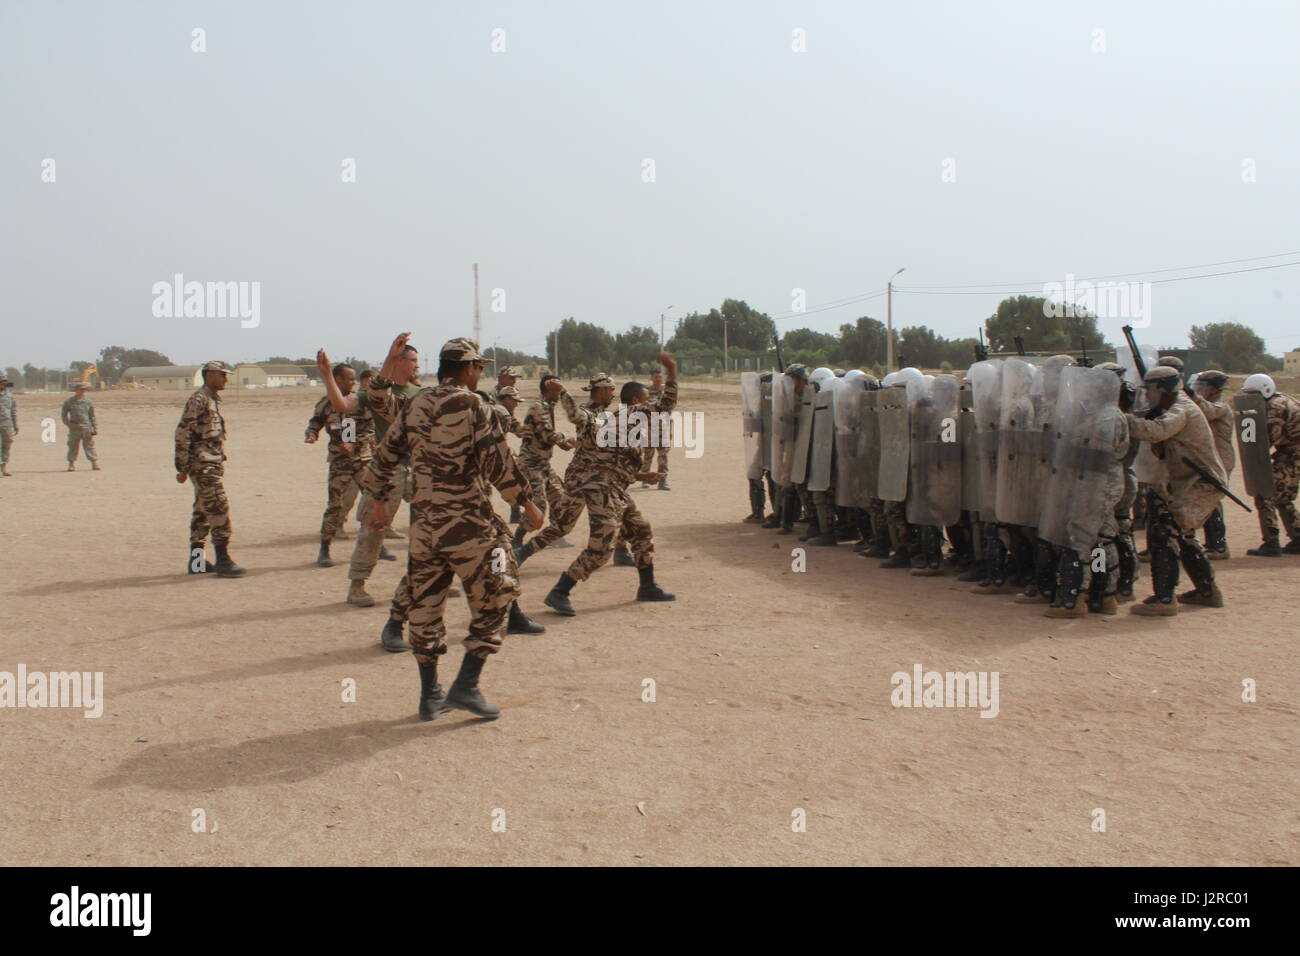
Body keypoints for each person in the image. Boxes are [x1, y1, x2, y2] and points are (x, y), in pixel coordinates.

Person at [356, 337, 543, 720]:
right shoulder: (474, 404)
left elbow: (386, 452)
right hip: (469, 526)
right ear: (469, 368)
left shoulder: (416, 403)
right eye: (479, 367)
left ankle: (430, 695)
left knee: (425, 608)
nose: (480, 374)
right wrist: (525, 502)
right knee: (499, 591)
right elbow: (497, 460)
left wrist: (377, 499)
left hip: (425, 527)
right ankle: (466, 684)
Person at [522, 356, 678, 615]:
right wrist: (672, 371)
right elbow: (667, 403)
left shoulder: (616, 419)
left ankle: (648, 585)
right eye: (647, 397)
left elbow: (611, 460)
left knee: (640, 531)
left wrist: (640, 476)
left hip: (613, 488)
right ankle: (560, 591)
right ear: (638, 401)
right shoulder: (632, 413)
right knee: (601, 545)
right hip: (603, 491)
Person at [318, 335, 421, 606]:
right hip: (390, 469)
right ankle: (358, 585)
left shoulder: (419, 393)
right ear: (399, 362)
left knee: (430, 525)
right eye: (413, 361)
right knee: (374, 528)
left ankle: (427, 581)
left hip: (420, 469)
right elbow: (341, 405)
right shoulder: (373, 395)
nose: (417, 366)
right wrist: (328, 374)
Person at [1123, 366, 1225, 615]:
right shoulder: (1171, 407)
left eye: (1150, 390)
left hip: (1202, 483)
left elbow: (1157, 432)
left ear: (1163, 390)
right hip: (1186, 482)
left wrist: (1122, 418)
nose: (1146, 396)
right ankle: (1207, 591)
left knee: (1164, 531)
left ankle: (1165, 599)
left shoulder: (1182, 408)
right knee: (1183, 535)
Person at [174, 360, 245, 577]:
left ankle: (197, 562)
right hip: (202, 465)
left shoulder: (211, 400)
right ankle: (223, 560)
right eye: (222, 375)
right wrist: (182, 467)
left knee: (202, 511)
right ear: (209, 375)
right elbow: (183, 431)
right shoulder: (199, 400)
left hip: (210, 463)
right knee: (218, 507)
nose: (226, 379)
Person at [306, 363, 375, 567]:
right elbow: (315, 422)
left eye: (354, 378)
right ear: (337, 380)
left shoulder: (359, 402)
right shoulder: (326, 403)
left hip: (362, 461)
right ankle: (324, 550)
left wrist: (355, 441)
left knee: (372, 503)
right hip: (339, 463)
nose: (353, 382)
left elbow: (370, 428)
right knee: (334, 506)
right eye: (348, 378)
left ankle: (378, 547)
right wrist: (311, 434)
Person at [1239, 373, 1300, 556]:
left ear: (1265, 391)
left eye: (1252, 394)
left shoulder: (1275, 407)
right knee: (1283, 497)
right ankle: (1298, 539)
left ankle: (1271, 542)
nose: (1249, 397)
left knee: (1265, 493)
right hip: (1290, 455)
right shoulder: (1279, 401)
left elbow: (1266, 440)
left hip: (1292, 456)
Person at [516, 375, 575, 546]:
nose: (559, 393)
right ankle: (516, 540)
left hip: (543, 465)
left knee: (559, 496)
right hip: (531, 464)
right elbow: (547, 433)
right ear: (548, 389)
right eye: (557, 389)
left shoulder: (548, 406)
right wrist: (564, 440)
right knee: (538, 505)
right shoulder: (538, 407)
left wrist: (563, 440)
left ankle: (555, 536)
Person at [1187, 370, 1234, 558]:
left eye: (1202, 388)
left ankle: (1219, 546)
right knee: (1208, 502)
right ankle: (1214, 543)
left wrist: (1189, 396)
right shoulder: (1205, 404)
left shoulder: (1221, 406)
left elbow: (1206, 410)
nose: (1199, 391)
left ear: (1215, 390)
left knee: (1212, 501)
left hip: (1220, 460)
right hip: (1208, 459)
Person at [641, 368, 672, 490]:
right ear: (651, 378)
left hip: (663, 428)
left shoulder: (667, 393)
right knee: (648, 455)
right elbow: (642, 411)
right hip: (649, 428)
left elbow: (669, 412)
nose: (659, 379)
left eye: (660, 377)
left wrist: (670, 430)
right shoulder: (646, 392)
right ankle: (645, 478)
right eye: (656, 377)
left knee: (663, 455)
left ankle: (662, 480)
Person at [61, 383, 100, 472]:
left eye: (84, 389)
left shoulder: (88, 402)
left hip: (86, 427)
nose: (83, 391)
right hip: (74, 428)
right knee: (73, 446)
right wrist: (70, 425)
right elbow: (64, 416)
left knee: (89, 446)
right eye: (81, 389)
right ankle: (71, 464)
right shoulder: (69, 402)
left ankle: (94, 463)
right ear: (76, 390)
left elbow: (92, 416)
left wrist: (95, 427)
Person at [0, 375, 18, 476]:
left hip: (7, 424)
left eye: (5, 382)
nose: (4, 384)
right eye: (2, 382)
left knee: (6, 445)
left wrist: (16, 425)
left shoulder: (9, 396)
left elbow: (13, 411)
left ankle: (4, 468)